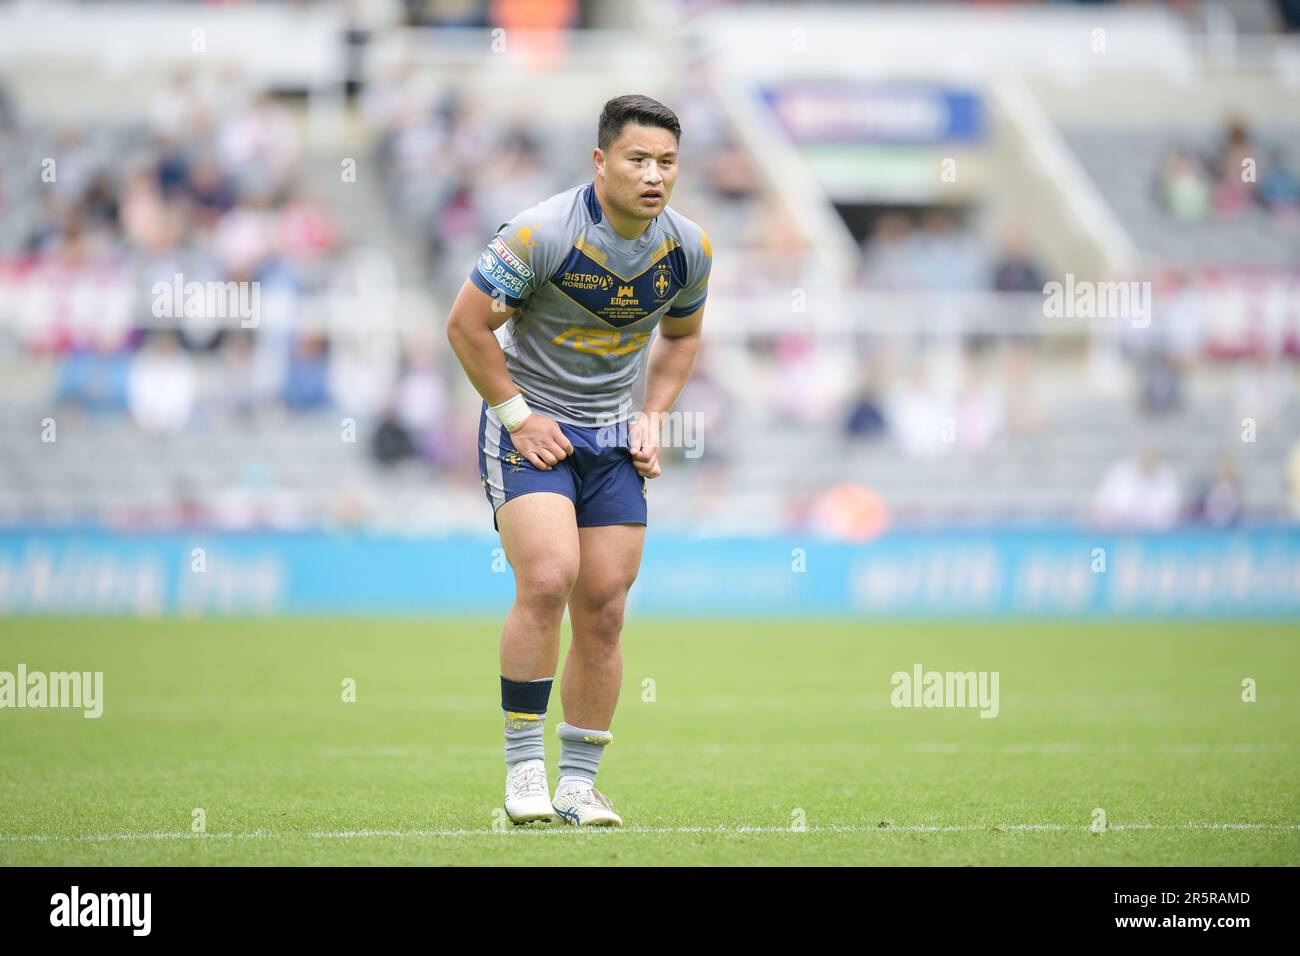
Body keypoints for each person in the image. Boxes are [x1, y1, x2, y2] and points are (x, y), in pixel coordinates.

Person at [445, 95, 711, 826]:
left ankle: (578, 786)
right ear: (601, 162)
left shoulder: (688, 248)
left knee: (606, 606)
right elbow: (466, 326)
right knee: (550, 577)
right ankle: (525, 772)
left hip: (612, 437)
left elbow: (683, 338)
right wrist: (518, 417)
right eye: (638, 159)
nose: (654, 175)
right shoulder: (539, 234)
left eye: (666, 162)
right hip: (532, 428)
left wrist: (652, 418)